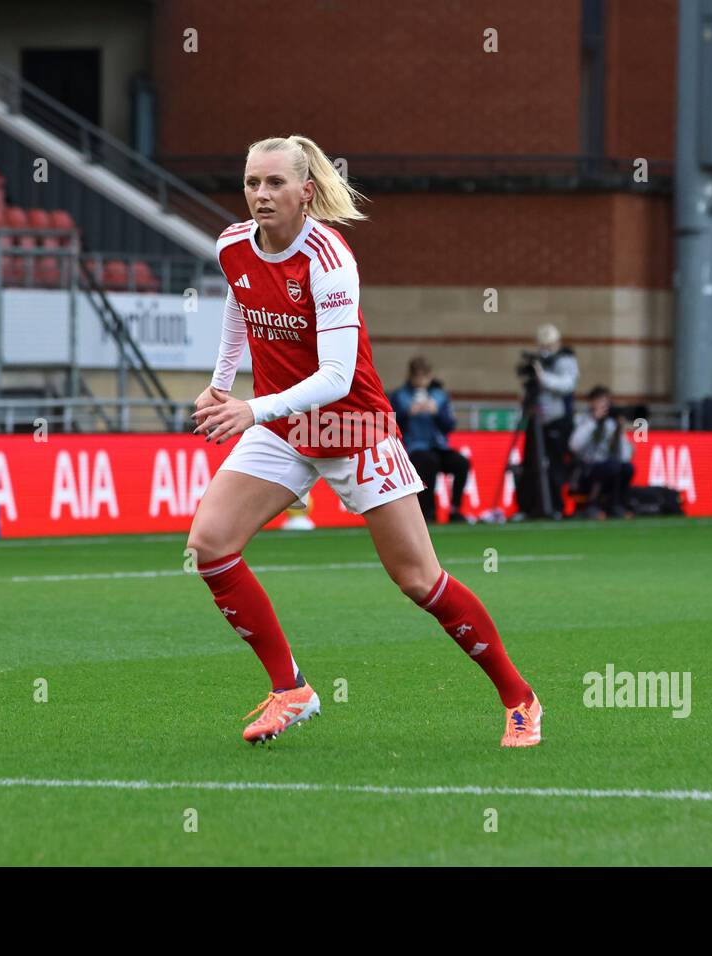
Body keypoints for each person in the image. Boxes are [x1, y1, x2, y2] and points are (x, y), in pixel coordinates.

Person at [187, 134, 541, 748]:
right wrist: (221, 386)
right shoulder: (232, 246)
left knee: (418, 581)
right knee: (210, 545)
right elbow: (239, 306)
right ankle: (291, 689)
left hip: (353, 427)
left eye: (275, 183)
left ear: (308, 191)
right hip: (282, 425)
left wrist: (249, 408)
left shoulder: (329, 259)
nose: (261, 196)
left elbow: (336, 377)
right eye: (252, 183)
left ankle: (519, 697)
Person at [390, 356, 470, 523]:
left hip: (438, 446)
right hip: (414, 447)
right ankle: (429, 511)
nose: (421, 380)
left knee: (461, 463)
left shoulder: (439, 396)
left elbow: (449, 425)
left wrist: (436, 412)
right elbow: (391, 425)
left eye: (424, 376)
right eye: (417, 376)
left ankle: (455, 509)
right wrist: (407, 414)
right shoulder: (399, 396)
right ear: (411, 376)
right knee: (428, 462)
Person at [532, 324, 579, 510]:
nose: (545, 350)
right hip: (541, 419)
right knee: (541, 463)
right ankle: (540, 503)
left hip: (559, 420)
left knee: (557, 464)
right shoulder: (543, 360)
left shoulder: (566, 360)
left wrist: (543, 378)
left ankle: (557, 505)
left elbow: (567, 385)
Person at [569, 386, 635, 518]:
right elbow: (574, 446)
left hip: (609, 469)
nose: (604, 406)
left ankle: (617, 506)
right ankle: (591, 505)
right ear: (591, 403)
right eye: (600, 401)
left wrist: (620, 432)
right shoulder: (582, 420)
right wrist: (594, 421)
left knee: (626, 468)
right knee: (609, 467)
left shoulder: (611, 424)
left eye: (607, 402)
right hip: (584, 471)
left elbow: (626, 456)